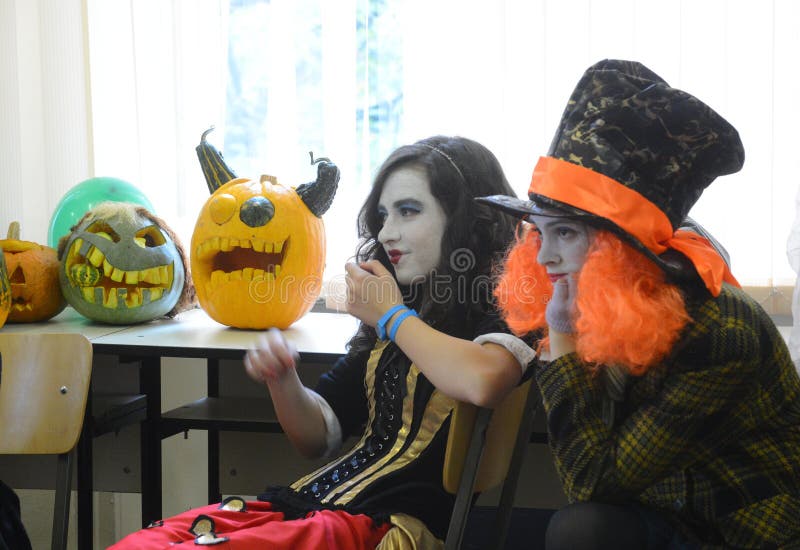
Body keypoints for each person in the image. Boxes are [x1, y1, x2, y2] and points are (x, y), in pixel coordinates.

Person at [110, 135, 534, 548]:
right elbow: (317, 438)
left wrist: (390, 315)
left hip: (382, 529)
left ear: (465, 218)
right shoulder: (402, 315)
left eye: (408, 211)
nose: (386, 233)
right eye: (383, 215)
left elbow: (485, 380)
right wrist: (284, 381)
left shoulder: (506, 309)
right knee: (146, 543)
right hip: (312, 512)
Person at [478, 59, 800, 549]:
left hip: (743, 533)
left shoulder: (716, 331)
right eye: (540, 231)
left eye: (565, 232)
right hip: (667, 514)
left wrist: (561, 342)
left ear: (620, 248)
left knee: (580, 528)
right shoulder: (601, 301)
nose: (543, 256)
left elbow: (589, 482)